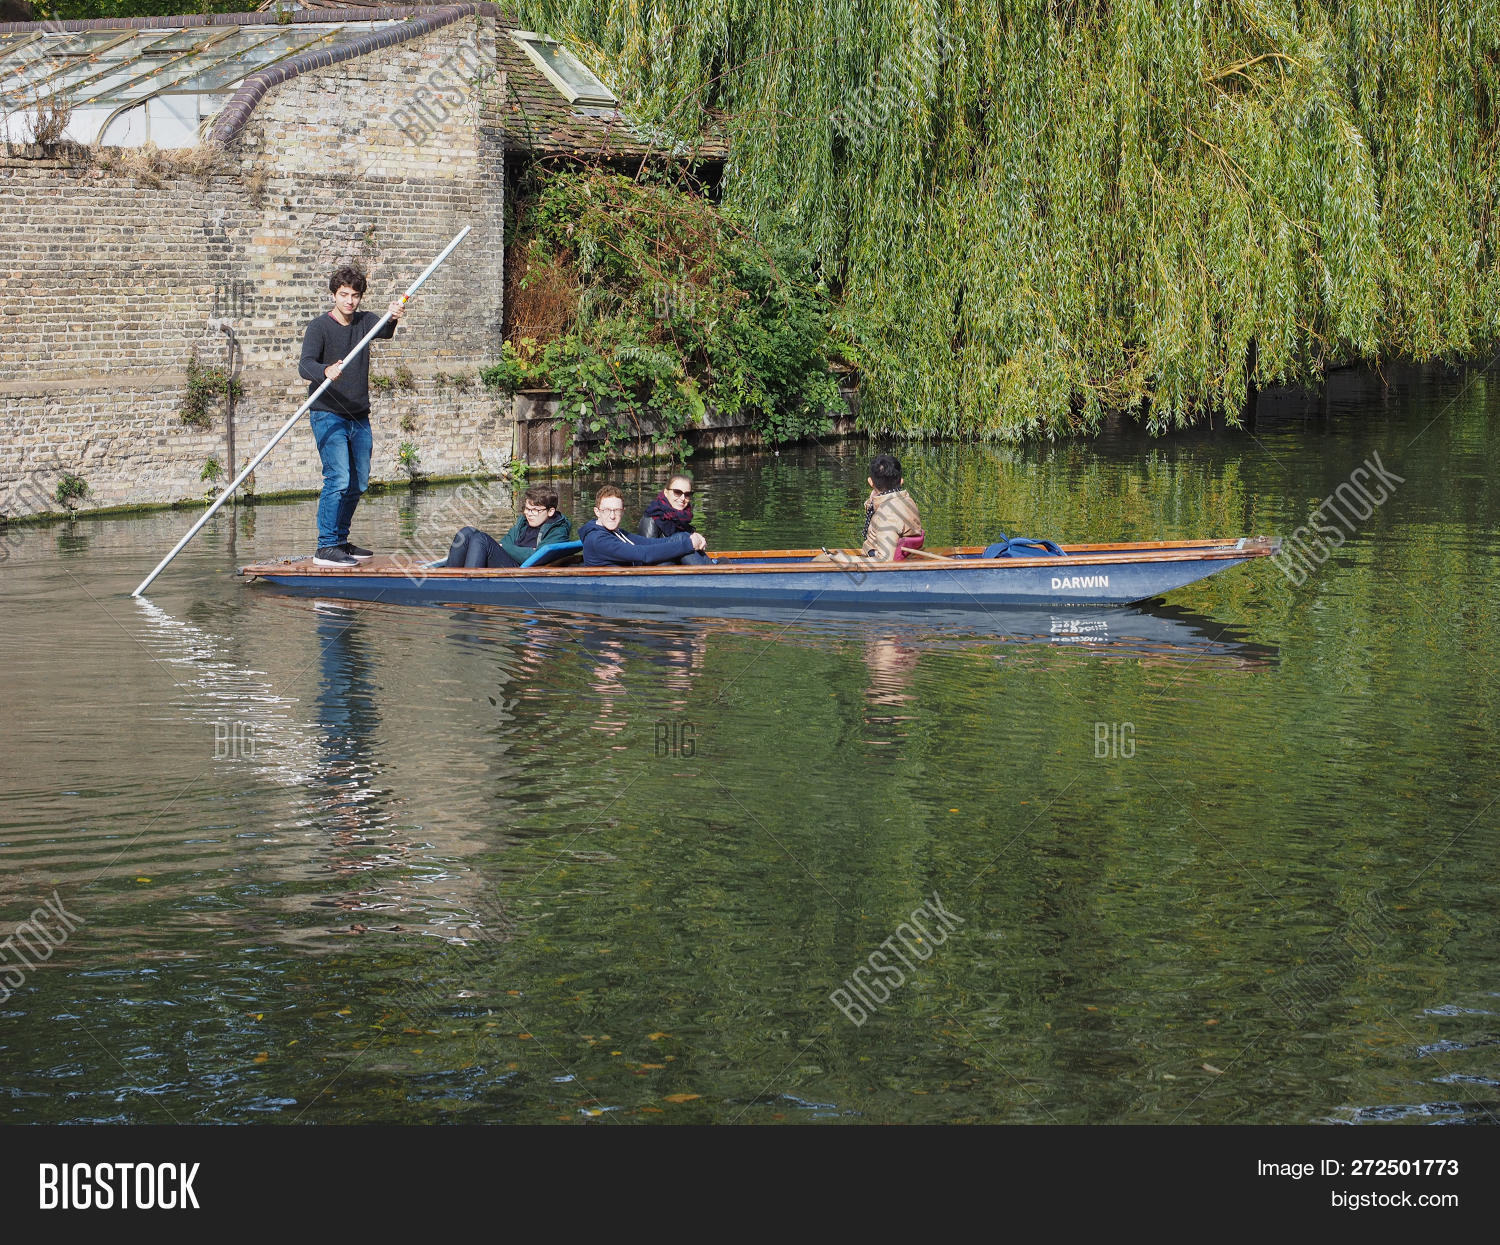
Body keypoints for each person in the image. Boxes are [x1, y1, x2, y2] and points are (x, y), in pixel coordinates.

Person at [299, 264, 405, 567]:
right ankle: (326, 547)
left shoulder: (364, 322)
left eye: (355, 296)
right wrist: (325, 370)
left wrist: (393, 315)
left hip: (359, 415)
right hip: (327, 413)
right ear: (334, 295)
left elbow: (384, 330)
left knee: (359, 483)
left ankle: (341, 542)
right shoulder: (319, 327)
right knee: (339, 478)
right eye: (344, 295)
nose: (349, 301)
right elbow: (305, 365)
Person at [438, 485, 574, 568]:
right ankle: (449, 577)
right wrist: (514, 549)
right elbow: (505, 541)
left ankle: (470, 584)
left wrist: (508, 548)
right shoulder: (523, 522)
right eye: (527, 509)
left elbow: (536, 556)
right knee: (467, 532)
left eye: (535, 510)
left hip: (521, 569)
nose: (529, 514)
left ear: (550, 511)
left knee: (480, 539)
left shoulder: (559, 530)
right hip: (509, 560)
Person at [579, 485, 708, 566]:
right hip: (622, 588)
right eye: (607, 510)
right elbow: (643, 554)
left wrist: (690, 537)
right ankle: (712, 575)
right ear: (597, 512)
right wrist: (689, 544)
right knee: (675, 553)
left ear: (623, 512)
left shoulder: (616, 532)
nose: (612, 516)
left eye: (617, 510)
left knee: (680, 539)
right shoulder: (597, 539)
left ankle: (712, 569)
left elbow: (649, 543)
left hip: (637, 579)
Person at [860, 453, 924, 561]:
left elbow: (885, 561)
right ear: (901, 481)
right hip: (904, 559)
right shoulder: (908, 501)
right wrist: (873, 502)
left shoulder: (886, 515)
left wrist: (843, 559)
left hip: (884, 568)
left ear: (870, 482)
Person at [640, 473, 710, 564]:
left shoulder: (684, 520)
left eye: (687, 494)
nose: (682, 498)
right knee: (684, 542)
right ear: (666, 492)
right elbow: (646, 554)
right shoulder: (652, 517)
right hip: (662, 570)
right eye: (677, 492)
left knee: (723, 560)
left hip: (683, 566)